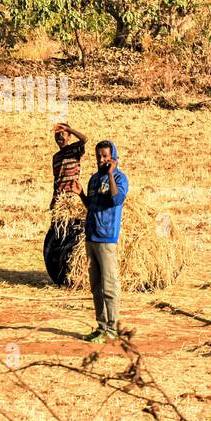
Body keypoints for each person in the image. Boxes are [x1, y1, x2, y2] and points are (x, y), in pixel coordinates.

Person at [80, 140, 127, 342]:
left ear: (113, 157)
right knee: (96, 285)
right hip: (91, 237)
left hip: (107, 238)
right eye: (99, 156)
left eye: (105, 156)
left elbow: (116, 199)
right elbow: (91, 205)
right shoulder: (94, 179)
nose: (101, 159)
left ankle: (112, 329)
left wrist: (110, 173)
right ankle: (100, 327)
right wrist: (80, 193)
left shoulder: (119, 178)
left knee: (109, 285)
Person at [48, 122, 87, 209]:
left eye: (63, 133)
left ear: (69, 137)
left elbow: (84, 139)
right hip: (60, 198)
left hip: (72, 195)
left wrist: (68, 129)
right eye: (57, 134)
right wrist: (53, 200)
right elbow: (56, 179)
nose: (60, 136)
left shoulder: (74, 149)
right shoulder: (56, 157)